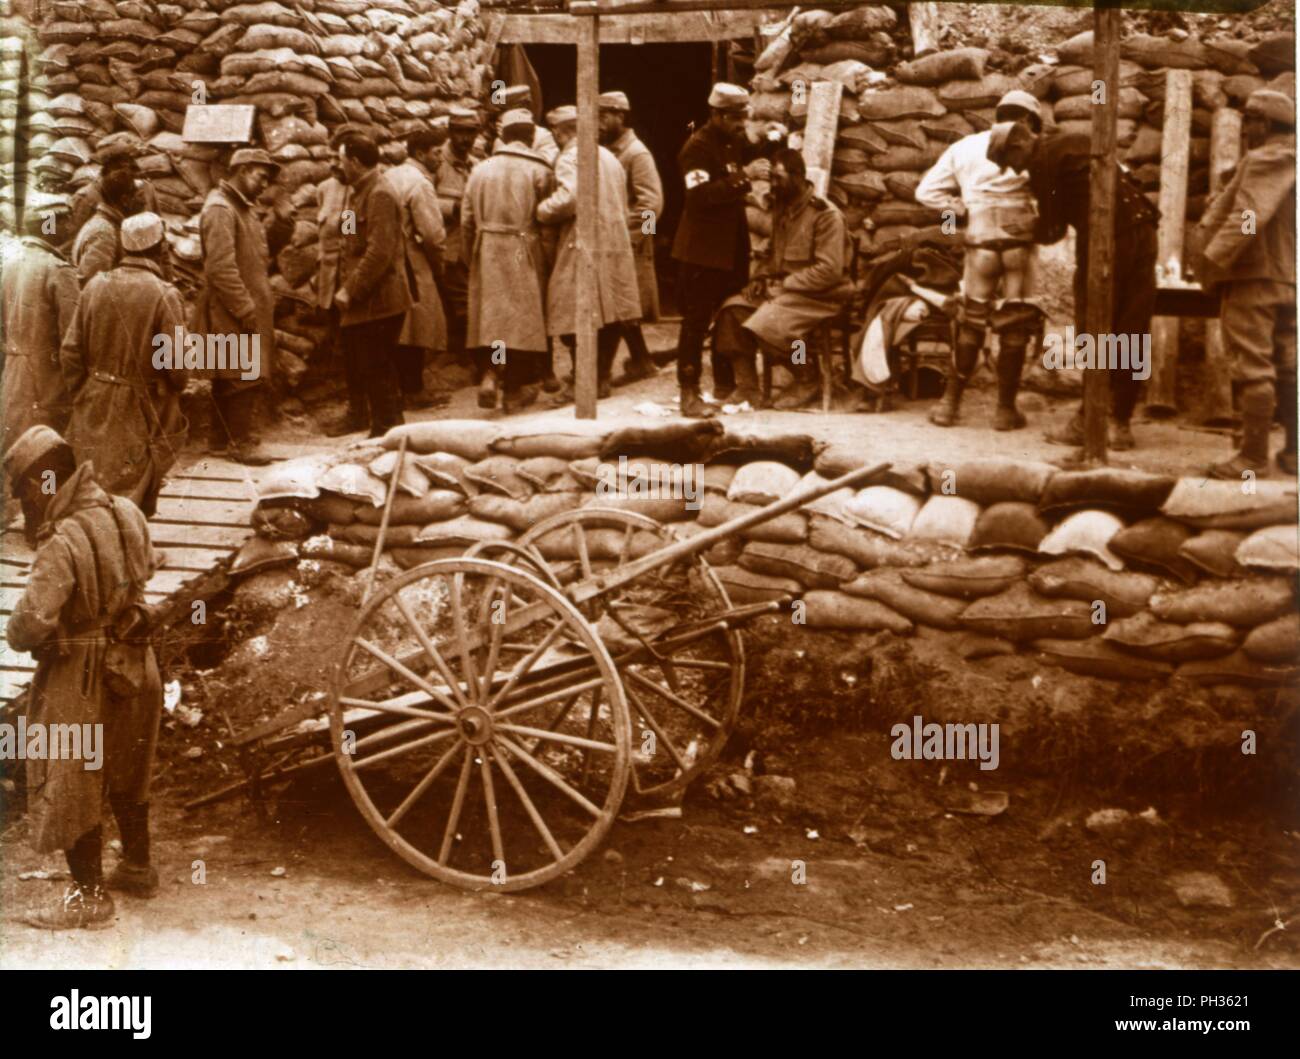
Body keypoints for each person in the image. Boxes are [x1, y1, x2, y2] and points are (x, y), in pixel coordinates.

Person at [4, 425, 162, 930]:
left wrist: (15, 632)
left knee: (70, 771)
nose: (28, 501)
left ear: (42, 484)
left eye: (27, 490)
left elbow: (31, 625)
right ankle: (138, 866)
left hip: (83, 670)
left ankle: (88, 896)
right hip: (137, 663)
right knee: (128, 764)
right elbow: (149, 569)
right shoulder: (126, 510)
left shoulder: (62, 539)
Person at [988, 119, 1159, 454]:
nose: (1016, 171)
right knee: (1132, 328)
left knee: (1095, 327)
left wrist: (1024, 228)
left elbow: (1052, 230)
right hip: (1144, 232)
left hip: (1108, 240)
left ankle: (1089, 420)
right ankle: (1120, 424)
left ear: (1019, 146)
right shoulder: (1075, 142)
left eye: (1012, 163)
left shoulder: (1041, 162)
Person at [915, 89, 1046, 430]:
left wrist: (959, 209)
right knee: (1014, 323)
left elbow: (925, 192)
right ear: (1030, 120)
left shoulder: (964, 147)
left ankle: (949, 406)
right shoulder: (1036, 148)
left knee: (970, 319)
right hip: (1019, 244)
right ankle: (1004, 411)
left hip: (980, 240)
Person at [1195, 88, 1296, 478]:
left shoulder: (1267, 158)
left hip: (1255, 276)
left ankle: (1253, 458)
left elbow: (1250, 216)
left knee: (1253, 366)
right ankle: (1293, 453)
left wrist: (1213, 259)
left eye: (1250, 121)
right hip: (1287, 276)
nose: (1245, 129)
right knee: (1288, 363)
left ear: (1264, 124)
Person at [62, 213, 188, 518]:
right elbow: (178, 365)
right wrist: (171, 389)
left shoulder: (95, 285)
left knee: (93, 479)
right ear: (159, 249)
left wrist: (85, 390)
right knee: (133, 482)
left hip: (94, 396)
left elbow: (70, 351)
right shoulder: (165, 294)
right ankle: (128, 547)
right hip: (141, 402)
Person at [713, 150, 853, 409]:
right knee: (732, 311)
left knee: (769, 325)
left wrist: (784, 285)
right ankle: (747, 388)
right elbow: (774, 255)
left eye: (778, 179)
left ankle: (807, 375)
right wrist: (761, 276)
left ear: (798, 177)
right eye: (772, 180)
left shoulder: (825, 215)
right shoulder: (783, 209)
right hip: (785, 293)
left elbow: (829, 270)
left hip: (821, 295)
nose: (773, 185)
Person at [192, 148, 294, 465]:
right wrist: (245, 308)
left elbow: (255, 253)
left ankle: (220, 440)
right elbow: (220, 268)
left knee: (232, 370)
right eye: (261, 177)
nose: (264, 185)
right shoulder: (221, 209)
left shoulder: (242, 208)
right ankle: (242, 441)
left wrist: (283, 225)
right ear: (244, 169)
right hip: (231, 306)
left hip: (241, 303)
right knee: (240, 372)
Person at [537, 104, 642, 402]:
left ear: (562, 132)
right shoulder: (608, 156)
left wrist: (542, 210)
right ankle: (600, 378)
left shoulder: (570, 156)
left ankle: (584, 381)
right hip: (613, 240)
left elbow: (569, 199)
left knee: (571, 311)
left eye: (556, 133)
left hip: (583, 241)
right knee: (610, 313)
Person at [670, 83, 759, 417]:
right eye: (736, 118)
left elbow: (746, 154)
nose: (742, 124)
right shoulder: (697, 148)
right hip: (701, 252)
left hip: (730, 249)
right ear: (718, 115)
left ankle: (725, 385)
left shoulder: (731, 141)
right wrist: (744, 179)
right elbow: (699, 197)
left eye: (744, 116)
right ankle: (688, 393)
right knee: (695, 323)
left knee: (726, 316)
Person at [461, 109, 554, 413]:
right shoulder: (539, 169)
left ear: (503, 136)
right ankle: (513, 388)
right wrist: (549, 257)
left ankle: (490, 373)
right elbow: (547, 219)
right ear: (529, 137)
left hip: (486, 245)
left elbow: (466, 219)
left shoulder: (480, 169)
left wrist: (469, 254)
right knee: (520, 320)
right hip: (522, 245)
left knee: (493, 319)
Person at [333, 130, 413, 437]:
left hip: (379, 299)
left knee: (377, 368)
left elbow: (380, 252)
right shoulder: (357, 192)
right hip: (365, 298)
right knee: (371, 368)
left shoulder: (380, 193)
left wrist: (349, 289)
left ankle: (386, 432)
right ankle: (390, 430)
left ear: (354, 161)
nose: (338, 166)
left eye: (341, 160)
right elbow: (352, 239)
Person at [1, 191, 80, 461]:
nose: (71, 227)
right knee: (47, 451)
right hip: (48, 381)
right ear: (49, 225)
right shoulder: (59, 270)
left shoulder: (11, 265)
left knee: (17, 448)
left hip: (14, 377)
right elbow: (73, 340)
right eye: (65, 221)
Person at [599, 90, 666, 385]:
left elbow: (653, 204)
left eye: (605, 116)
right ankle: (641, 360)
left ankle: (600, 375)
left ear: (620, 117)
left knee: (621, 305)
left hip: (630, 243)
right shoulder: (608, 151)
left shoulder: (635, 153)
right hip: (615, 243)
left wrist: (639, 239)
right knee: (624, 305)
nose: (599, 122)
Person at [382, 127, 449, 410]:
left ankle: (400, 388)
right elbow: (433, 234)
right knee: (417, 326)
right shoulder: (419, 183)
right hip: (412, 259)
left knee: (398, 326)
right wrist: (438, 263)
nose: (441, 158)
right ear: (420, 153)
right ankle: (414, 389)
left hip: (388, 261)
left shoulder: (390, 175)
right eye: (436, 153)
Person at [314, 151, 363, 437]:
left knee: (358, 348)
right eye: (330, 156)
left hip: (350, 283)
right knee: (342, 348)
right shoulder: (324, 189)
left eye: (340, 159)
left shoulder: (358, 194)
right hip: (329, 282)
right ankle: (353, 406)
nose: (333, 164)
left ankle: (359, 410)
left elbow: (351, 243)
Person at [433, 106, 483, 389]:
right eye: (460, 132)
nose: (466, 139)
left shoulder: (477, 164)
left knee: (470, 303)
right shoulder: (436, 162)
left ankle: (469, 358)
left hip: (471, 247)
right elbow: (421, 198)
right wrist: (454, 207)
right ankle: (473, 361)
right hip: (446, 247)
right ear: (450, 132)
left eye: (471, 133)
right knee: (461, 306)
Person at [70, 154, 139, 286]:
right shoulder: (87, 198)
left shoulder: (109, 221)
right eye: (135, 198)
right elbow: (94, 286)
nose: (140, 201)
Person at [489, 85, 560, 166]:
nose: (499, 117)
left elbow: (545, 165)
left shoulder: (543, 136)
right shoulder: (499, 139)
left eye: (503, 111)